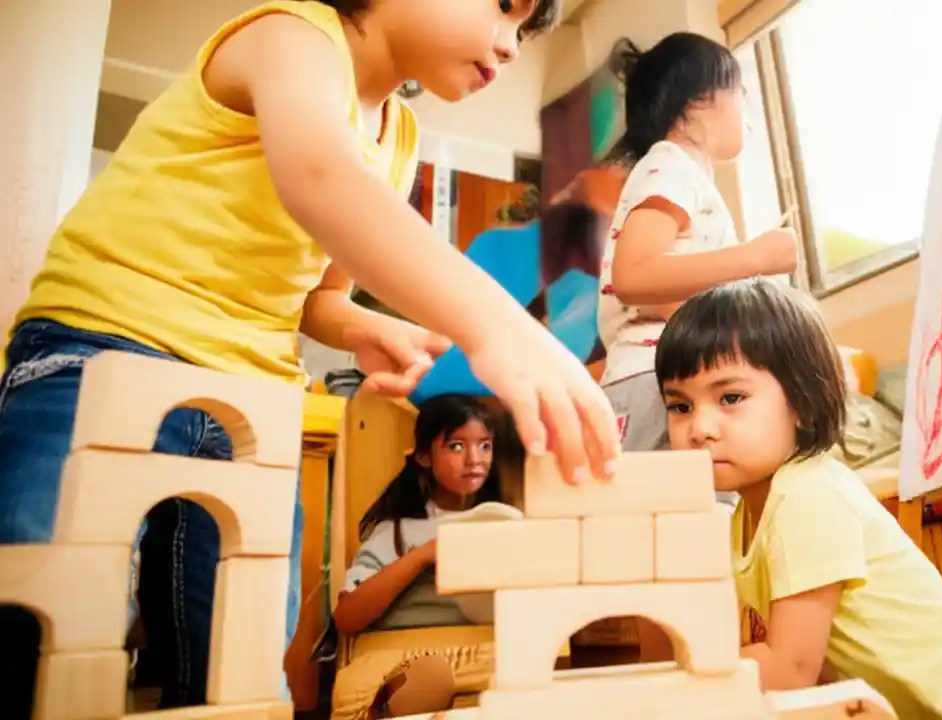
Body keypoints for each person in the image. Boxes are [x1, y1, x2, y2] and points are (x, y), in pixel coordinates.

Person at [0, 0, 618, 710]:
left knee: (238, 660)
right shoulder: (290, 36)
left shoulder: (398, 134)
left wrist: (360, 327)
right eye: (504, 9)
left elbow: (318, 295)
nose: (510, 47)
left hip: (247, 401)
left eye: (525, 31)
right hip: (100, 349)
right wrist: (502, 330)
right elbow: (321, 180)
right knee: (42, 610)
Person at [649, 279, 942, 720]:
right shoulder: (745, 516)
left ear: (802, 399)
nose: (699, 429)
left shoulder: (806, 495)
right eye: (680, 406)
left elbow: (788, 670)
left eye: (729, 398)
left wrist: (664, 678)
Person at [597, 32, 798, 453]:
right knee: (688, 512)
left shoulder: (681, 174)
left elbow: (667, 295)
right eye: (740, 91)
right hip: (661, 380)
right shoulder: (672, 164)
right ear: (698, 101)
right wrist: (755, 257)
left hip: (663, 379)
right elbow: (632, 276)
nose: (747, 110)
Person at [330, 394, 505, 718]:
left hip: (486, 652)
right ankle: (394, 699)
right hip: (404, 652)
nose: (474, 459)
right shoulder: (397, 532)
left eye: (484, 445)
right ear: (424, 456)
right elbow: (347, 617)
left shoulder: (502, 522)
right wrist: (422, 556)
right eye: (456, 446)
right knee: (430, 674)